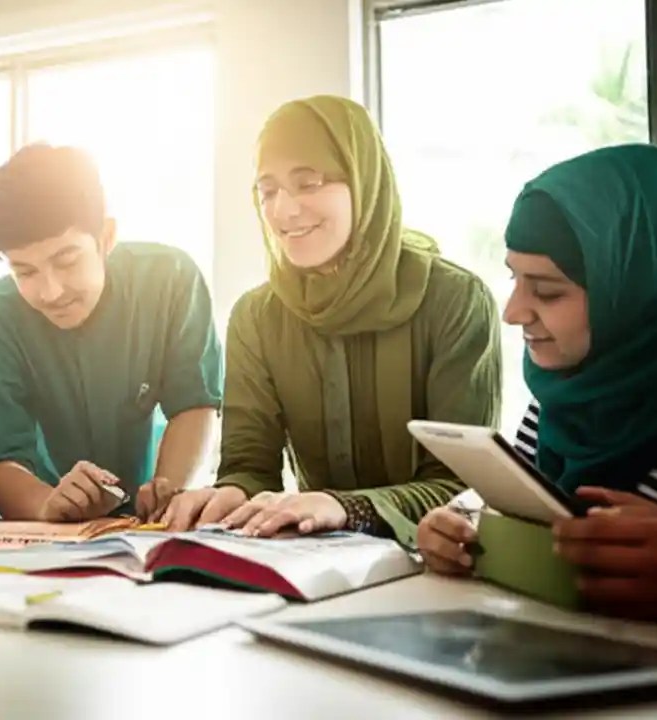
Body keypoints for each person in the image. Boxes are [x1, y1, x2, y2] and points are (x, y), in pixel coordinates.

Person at [161, 95, 502, 544]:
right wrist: (228, 494)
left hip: (436, 570)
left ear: (363, 182)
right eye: (268, 191)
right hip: (317, 568)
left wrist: (348, 507)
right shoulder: (256, 317)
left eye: (308, 183)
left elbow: (462, 487)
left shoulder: (455, 300)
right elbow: (250, 466)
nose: (283, 210)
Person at [417, 144, 657, 625]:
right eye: (514, 279)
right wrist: (458, 526)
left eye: (548, 291)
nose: (512, 313)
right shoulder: (566, 391)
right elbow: (529, 503)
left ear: (636, 282)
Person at [0, 144, 223, 522]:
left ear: (106, 237)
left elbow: (194, 402)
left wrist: (169, 488)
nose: (50, 292)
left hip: (147, 521)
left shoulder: (172, 280)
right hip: (37, 523)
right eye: (25, 272)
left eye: (66, 260)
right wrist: (45, 506)